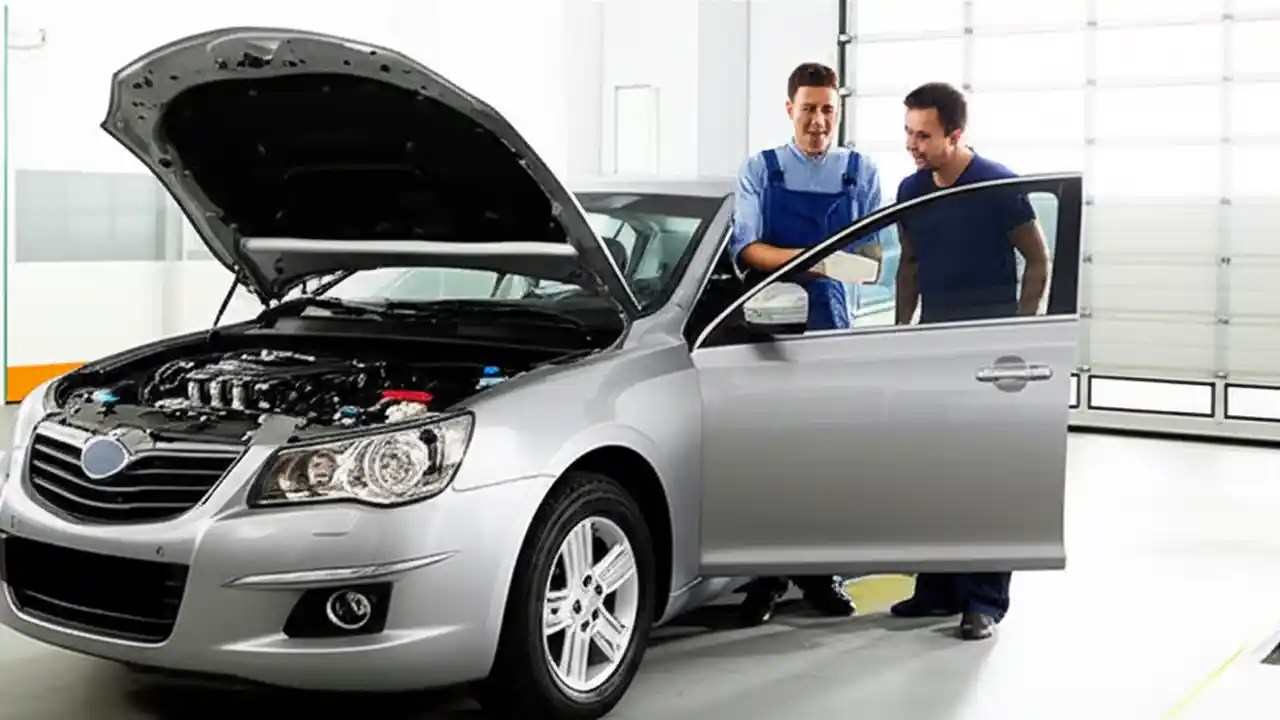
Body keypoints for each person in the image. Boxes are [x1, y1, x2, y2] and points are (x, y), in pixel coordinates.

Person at [889, 81, 1050, 640]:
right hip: (933, 343)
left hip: (989, 349)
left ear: (955, 135)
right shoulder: (911, 187)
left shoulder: (998, 185)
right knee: (933, 472)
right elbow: (908, 264)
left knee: (985, 478)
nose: (913, 144)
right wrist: (901, 333)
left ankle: (984, 600)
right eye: (908, 132)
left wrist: (1019, 331)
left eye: (924, 135)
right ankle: (934, 590)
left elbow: (1038, 258)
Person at [728, 61, 886, 624]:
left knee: (827, 457)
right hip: (765, 329)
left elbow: (871, 258)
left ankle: (824, 575)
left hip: (833, 329)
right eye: (808, 108)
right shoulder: (759, 169)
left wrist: (821, 266)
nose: (819, 121)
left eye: (828, 110)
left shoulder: (860, 171)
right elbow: (747, 250)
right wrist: (816, 260)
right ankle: (766, 578)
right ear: (788, 107)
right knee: (769, 455)